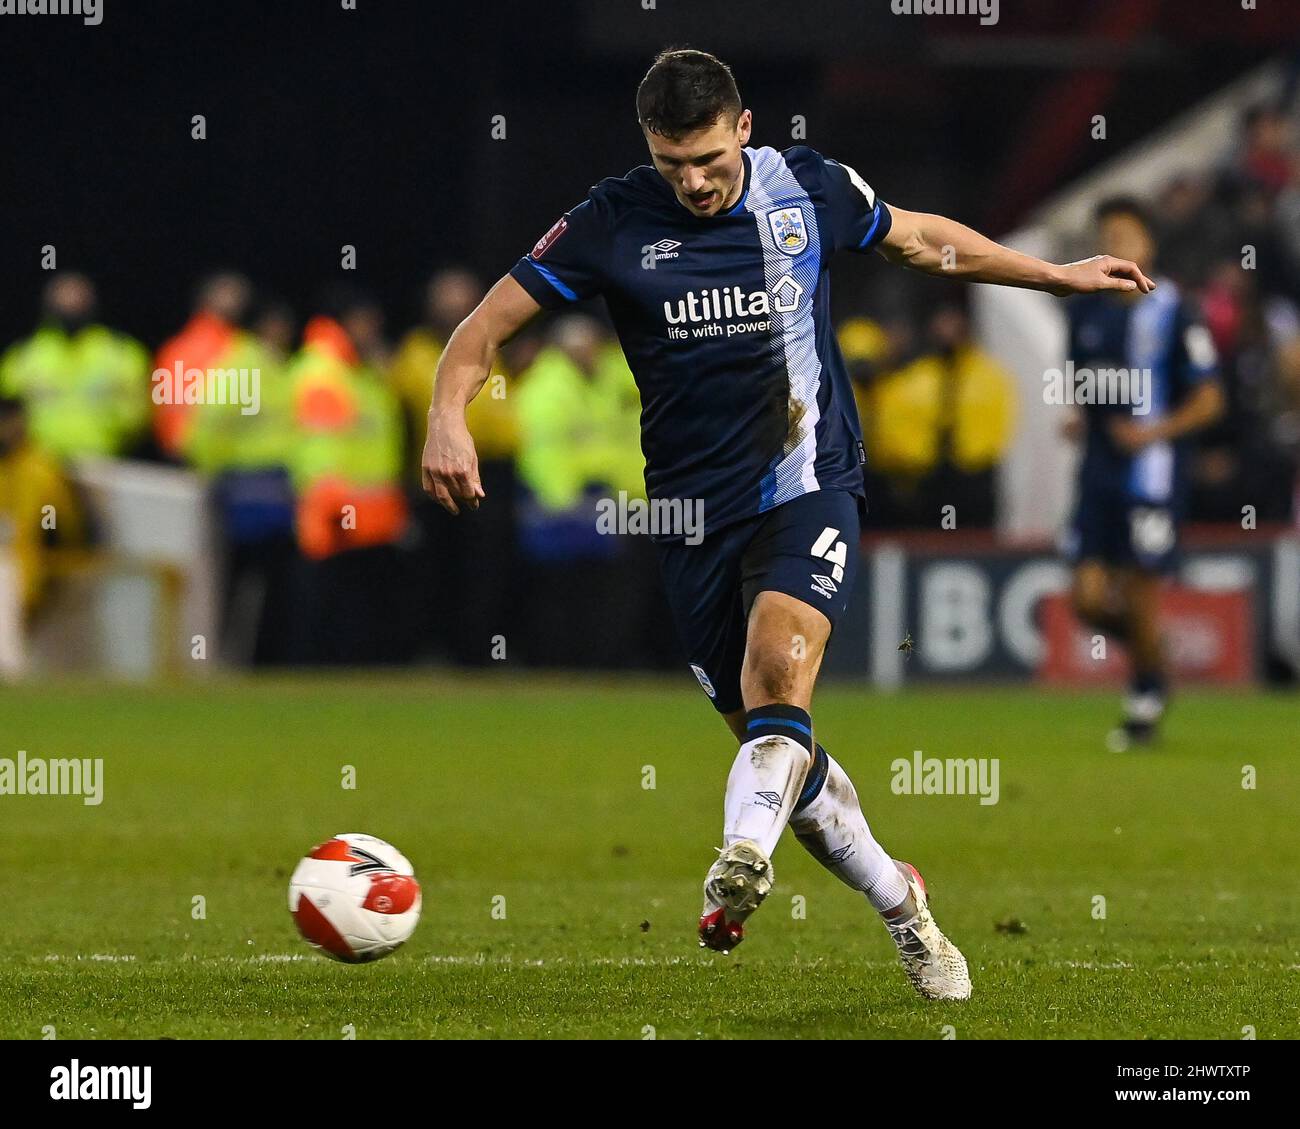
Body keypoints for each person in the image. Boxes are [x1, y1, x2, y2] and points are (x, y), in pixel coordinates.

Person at [422, 48, 1155, 1001]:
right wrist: (448, 416)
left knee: (779, 677)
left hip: (808, 483)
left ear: (745, 127)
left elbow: (919, 238)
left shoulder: (807, 189)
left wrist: (1051, 276)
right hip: (692, 518)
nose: (692, 182)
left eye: (709, 160)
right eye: (671, 162)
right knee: (784, 754)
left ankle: (737, 855)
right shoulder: (610, 220)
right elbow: (478, 334)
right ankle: (902, 901)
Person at [1064, 197, 1224, 752]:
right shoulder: (1084, 308)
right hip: (1096, 473)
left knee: (1138, 593)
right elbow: (1082, 385)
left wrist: (1152, 434)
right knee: (1086, 600)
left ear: (1148, 245)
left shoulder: (1177, 310)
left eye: (1127, 235)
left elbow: (1208, 400)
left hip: (1150, 479)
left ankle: (1145, 701)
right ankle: (1155, 660)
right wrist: (1076, 413)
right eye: (1107, 235)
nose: (1117, 245)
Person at [0, 273, 150, 464]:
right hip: (37, 468)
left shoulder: (121, 353)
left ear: (92, 302)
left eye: (78, 299)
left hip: (103, 464)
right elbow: (6, 420)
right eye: (64, 299)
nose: (71, 306)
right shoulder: (22, 357)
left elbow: (139, 416)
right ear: (47, 304)